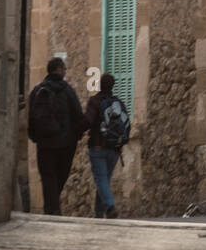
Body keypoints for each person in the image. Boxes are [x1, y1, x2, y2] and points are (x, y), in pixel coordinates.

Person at [28, 57, 87, 215]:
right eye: (64, 69)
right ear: (58, 70)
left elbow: (31, 117)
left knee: (48, 177)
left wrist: (35, 137)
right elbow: (78, 115)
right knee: (60, 176)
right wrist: (76, 135)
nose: (65, 71)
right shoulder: (68, 91)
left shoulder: (37, 90)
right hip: (65, 144)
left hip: (45, 144)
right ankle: (53, 208)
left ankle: (51, 208)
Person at [85, 72, 130, 218]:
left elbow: (88, 121)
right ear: (113, 86)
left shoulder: (95, 102)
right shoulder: (119, 104)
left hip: (98, 147)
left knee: (101, 179)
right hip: (114, 150)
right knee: (103, 179)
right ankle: (98, 214)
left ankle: (110, 207)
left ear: (99, 85)